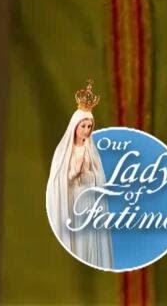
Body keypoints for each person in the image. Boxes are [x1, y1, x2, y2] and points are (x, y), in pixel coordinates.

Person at [46, 80, 114, 269]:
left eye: (89, 126)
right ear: (74, 126)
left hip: (89, 202)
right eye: (83, 126)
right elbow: (64, 178)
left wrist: (92, 177)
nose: (86, 130)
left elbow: (99, 177)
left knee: (90, 243)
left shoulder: (90, 150)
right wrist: (77, 168)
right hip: (74, 200)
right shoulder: (66, 152)